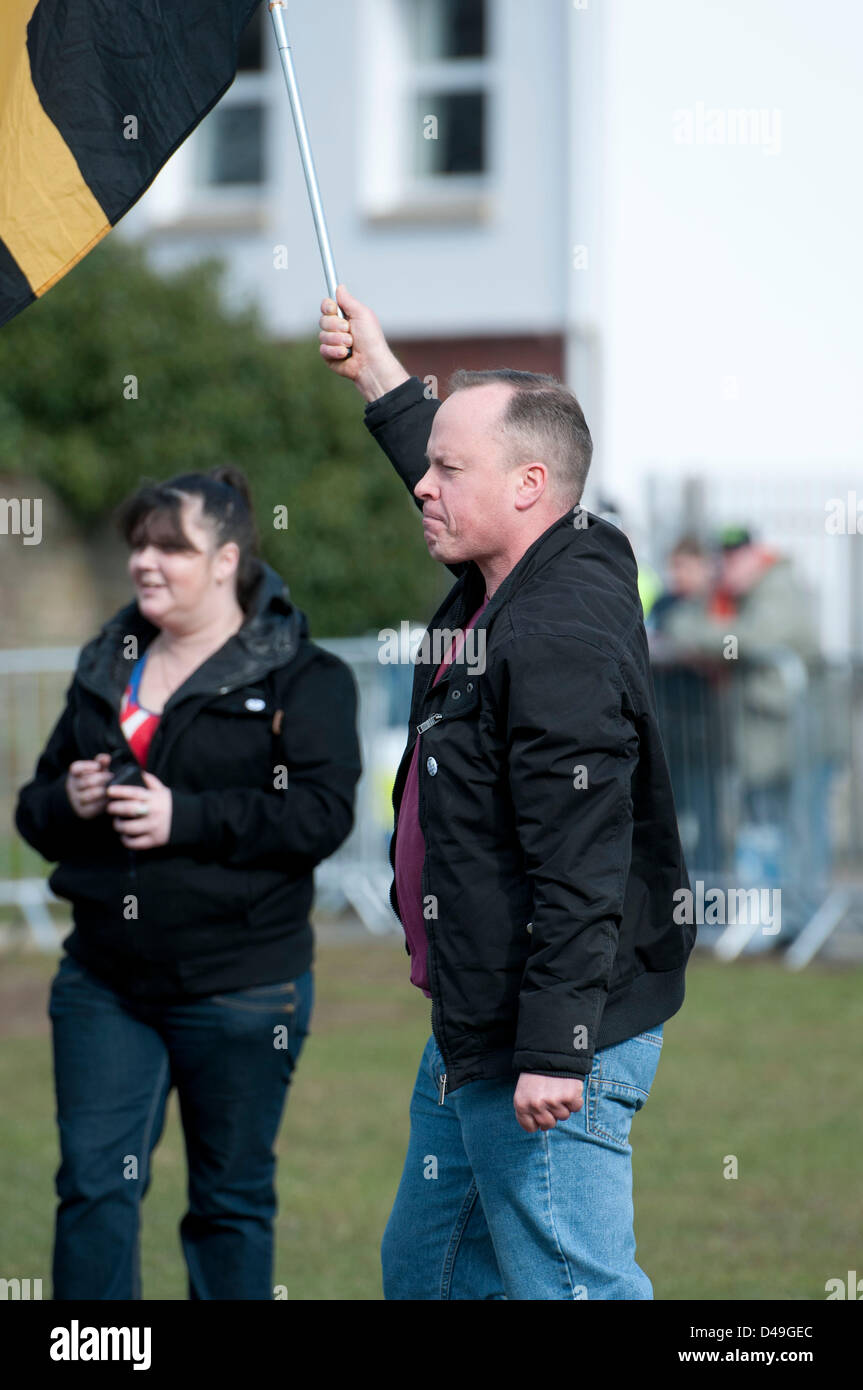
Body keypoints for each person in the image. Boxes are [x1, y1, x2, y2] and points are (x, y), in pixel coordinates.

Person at [318, 286, 695, 1300]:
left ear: (530, 486)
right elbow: (463, 474)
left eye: (446, 469)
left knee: (572, 1286)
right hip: (478, 1021)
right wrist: (380, 378)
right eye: (426, 462)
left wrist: (556, 1052)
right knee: (428, 1273)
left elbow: (581, 862)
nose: (422, 489)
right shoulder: (531, 562)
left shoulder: (554, 635)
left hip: (545, 1039)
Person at [15, 467, 361, 1300]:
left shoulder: (303, 677)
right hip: (104, 982)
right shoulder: (109, 663)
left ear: (226, 560)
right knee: (94, 1190)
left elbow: (320, 818)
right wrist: (71, 797)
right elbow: (33, 809)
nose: (147, 561)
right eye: (140, 542)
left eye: (173, 545)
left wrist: (189, 818)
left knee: (229, 1204)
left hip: (242, 989)